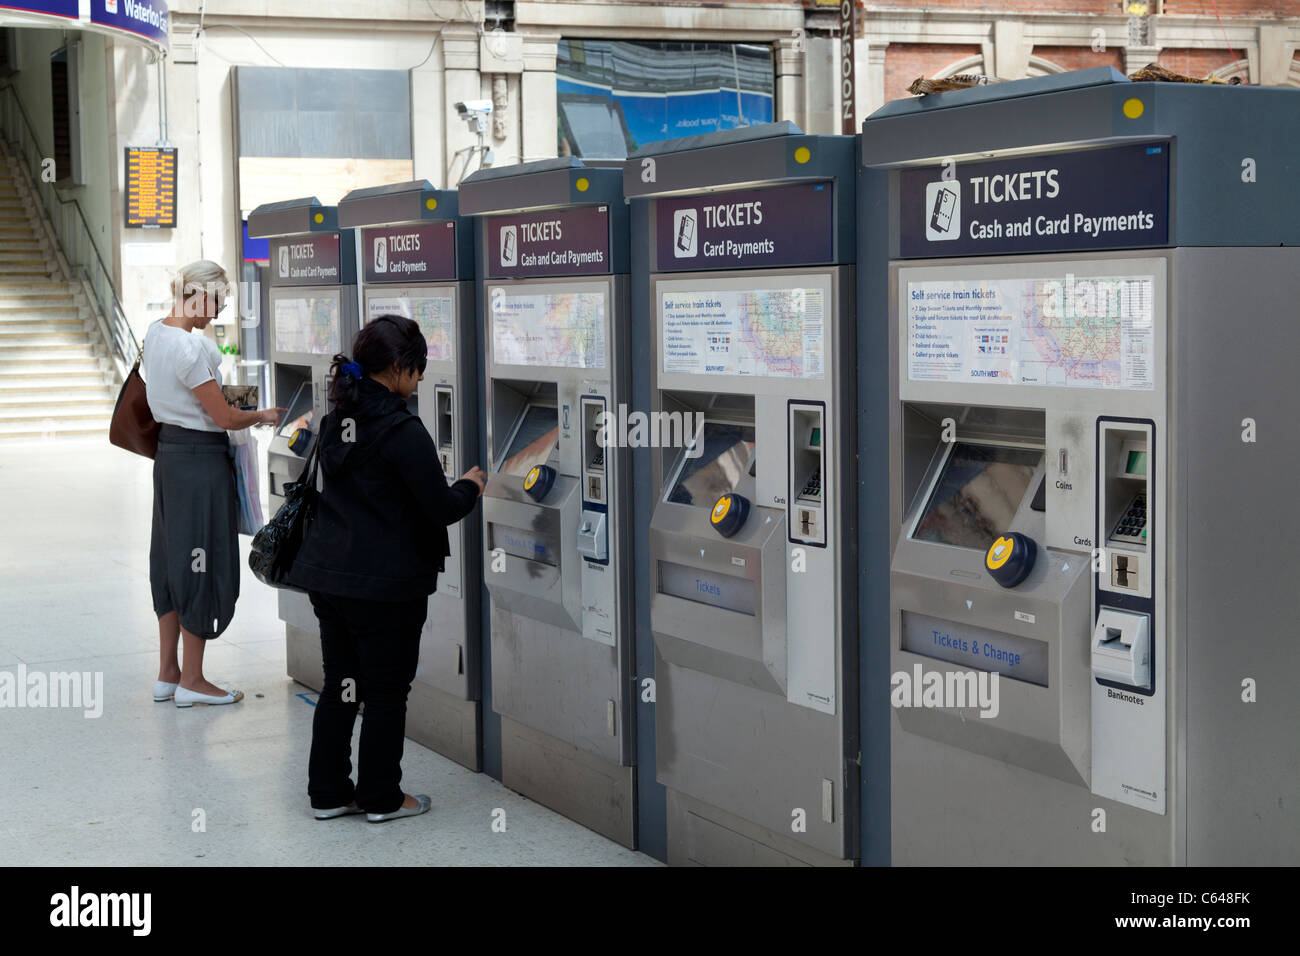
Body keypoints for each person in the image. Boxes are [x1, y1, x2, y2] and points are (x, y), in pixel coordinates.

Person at [286, 314, 486, 823]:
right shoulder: (400, 429)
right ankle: (382, 798)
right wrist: (472, 485)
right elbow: (439, 506)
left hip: (330, 577)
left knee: (341, 686)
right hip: (386, 586)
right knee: (386, 692)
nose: (419, 381)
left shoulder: (336, 421)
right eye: (417, 370)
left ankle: (329, 793)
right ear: (397, 369)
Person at [143, 259, 285, 708]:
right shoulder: (192, 349)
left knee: (170, 559)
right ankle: (194, 680)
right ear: (198, 295)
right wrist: (262, 414)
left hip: (168, 458)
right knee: (200, 560)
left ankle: (168, 673)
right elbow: (223, 417)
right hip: (200, 463)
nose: (218, 313)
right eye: (218, 302)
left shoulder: (154, 333)